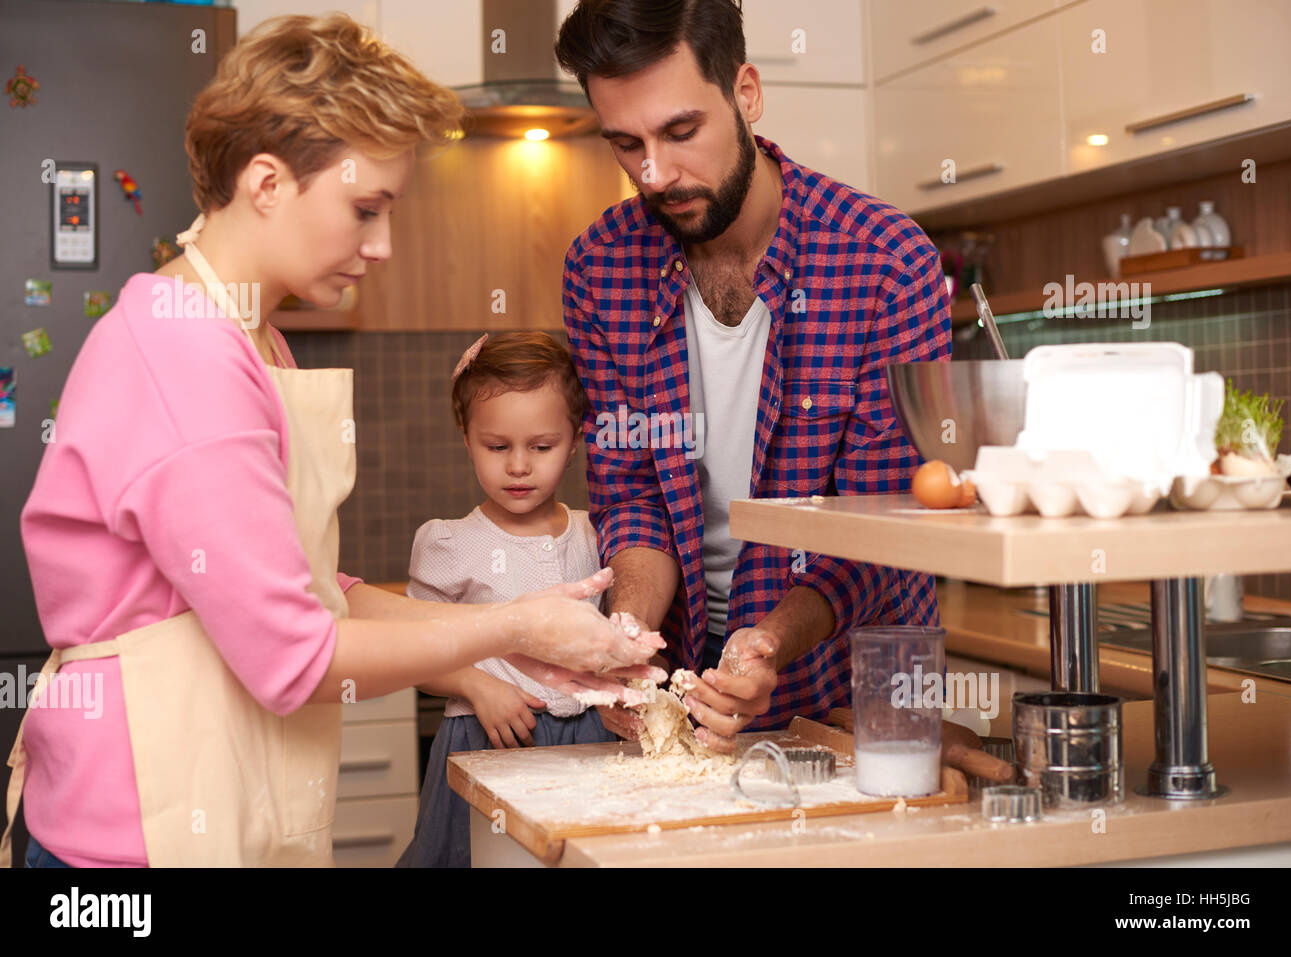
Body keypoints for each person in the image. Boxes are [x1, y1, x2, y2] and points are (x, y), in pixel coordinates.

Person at [5, 13, 661, 870]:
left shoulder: (252, 338)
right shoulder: (183, 351)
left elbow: (324, 590)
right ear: (267, 183)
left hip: (212, 807)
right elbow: (296, 654)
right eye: (364, 209)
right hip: (131, 842)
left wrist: (522, 635)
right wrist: (511, 624)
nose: (382, 246)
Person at [554, 0, 951, 752]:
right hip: (687, 693)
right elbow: (631, 492)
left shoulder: (885, 263)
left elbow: (882, 530)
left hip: (854, 701)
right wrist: (630, 639)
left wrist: (765, 643)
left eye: (680, 132)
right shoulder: (599, 268)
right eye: (625, 143)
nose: (655, 173)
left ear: (746, 93)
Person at [397, 332, 621, 868]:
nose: (518, 466)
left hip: (588, 742)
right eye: (497, 447)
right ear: (466, 438)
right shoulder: (448, 543)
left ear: (574, 441)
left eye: (541, 447)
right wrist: (476, 685)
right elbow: (413, 653)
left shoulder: (598, 535)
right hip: (485, 737)